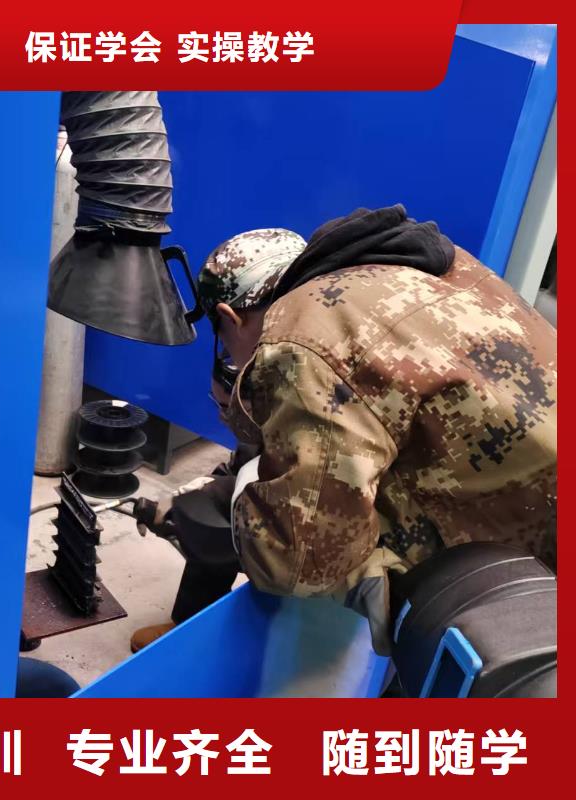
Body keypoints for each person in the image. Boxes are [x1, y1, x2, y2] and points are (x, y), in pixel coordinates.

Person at [133, 205, 557, 656]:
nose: (231, 357)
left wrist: (229, 522)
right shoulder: (404, 271)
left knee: (306, 551)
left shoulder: (304, 336)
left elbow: (302, 560)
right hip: (526, 483)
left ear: (230, 317)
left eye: (225, 342)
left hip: (527, 563)